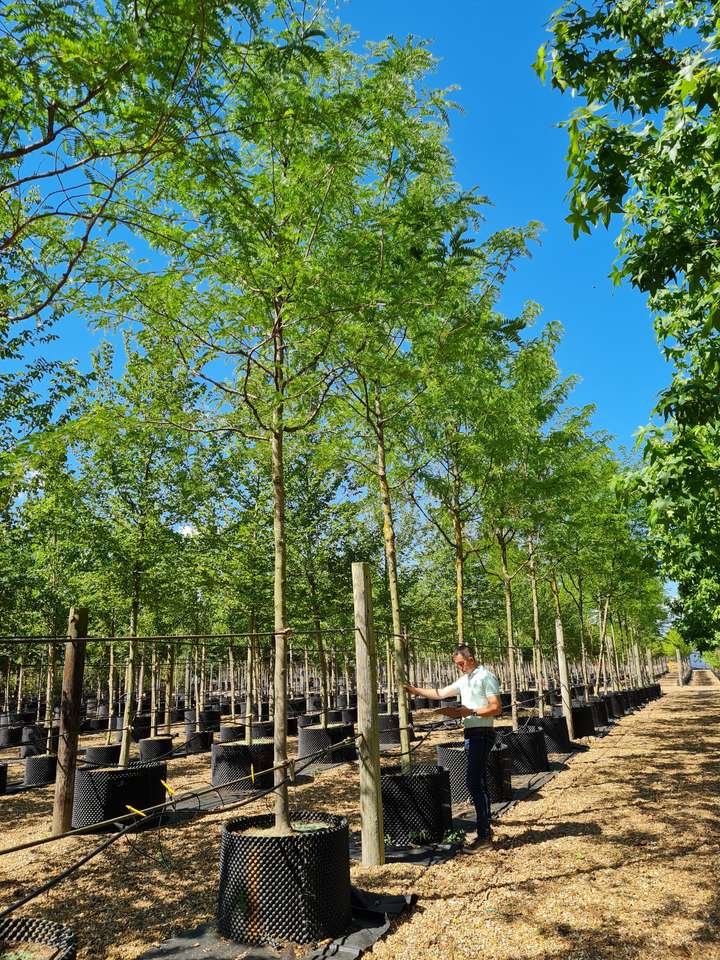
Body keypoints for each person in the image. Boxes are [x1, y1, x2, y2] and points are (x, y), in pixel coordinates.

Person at [404, 644, 502, 849]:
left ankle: (484, 836)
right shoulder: (465, 679)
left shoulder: (486, 677)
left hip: (482, 734)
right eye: (457, 664)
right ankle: (485, 829)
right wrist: (414, 690)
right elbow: (440, 693)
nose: (459, 667)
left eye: (461, 663)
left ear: (471, 659)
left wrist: (470, 712)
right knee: (479, 782)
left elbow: (496, 708)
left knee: (474, 782)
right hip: (471, 734)